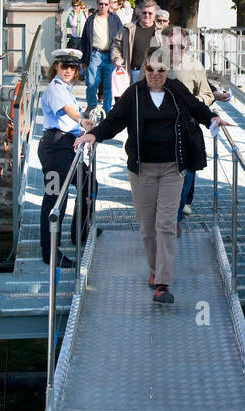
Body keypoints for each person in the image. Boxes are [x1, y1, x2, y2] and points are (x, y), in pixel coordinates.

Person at [75, 49, 226, 304]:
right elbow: (114, 121)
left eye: (161, 70)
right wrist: (94, 135)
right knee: (147, 227)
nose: (155, 75)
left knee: (165, 224)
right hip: (142, 168)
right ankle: (155, 268)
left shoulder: (176, 90)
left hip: (171, 168)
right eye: (150, 70)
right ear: (144, 70)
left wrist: (213, 118)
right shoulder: (134, 94)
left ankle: (163, 282)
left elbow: (196, 107)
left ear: (167, 72)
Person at [39, 48, 95, 269]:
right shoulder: (55, 89)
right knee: (55, 199)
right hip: (54, 148)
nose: (69, 70)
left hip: (66, 146)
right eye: (64, 66)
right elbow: (69, 111)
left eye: (73, 67)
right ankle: (50, 251)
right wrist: (83, 122)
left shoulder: (67, 88)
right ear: (56, 67)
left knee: (89, 183)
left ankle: (80, 232)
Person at [168, 30, 230, 222]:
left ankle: (177, 215)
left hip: (187, 127)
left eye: (180, 46)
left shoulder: (195, 66)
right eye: (170, 46)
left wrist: (195, 101)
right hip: (160, 132)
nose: (175, 51)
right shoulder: (153, 64)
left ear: (187, 47)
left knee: (185, 176)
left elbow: (208, 95)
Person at [80, 0, 124, 112]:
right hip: (95, 54)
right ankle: (91, 106)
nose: (103, 6)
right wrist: (83, 60)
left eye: (105, 4)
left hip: (111, 55)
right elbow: (84, 39)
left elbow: (121, 38)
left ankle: (107, 109)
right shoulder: (90, 20)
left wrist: (120, 56)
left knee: (109, 86)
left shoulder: (115, 19)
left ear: (109, 5)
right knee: (91, 83)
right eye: (101, 4)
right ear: (97, 4)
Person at [114, 1, 163, 83]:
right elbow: (116, 44)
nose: (147, 15)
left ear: (155, 15)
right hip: (134, 72)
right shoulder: (127, 29)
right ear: (140, 13)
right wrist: (117, 58)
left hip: (155, 72)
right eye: (144, 13)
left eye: (150, 13)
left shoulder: (161, 31)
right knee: (136, 95)